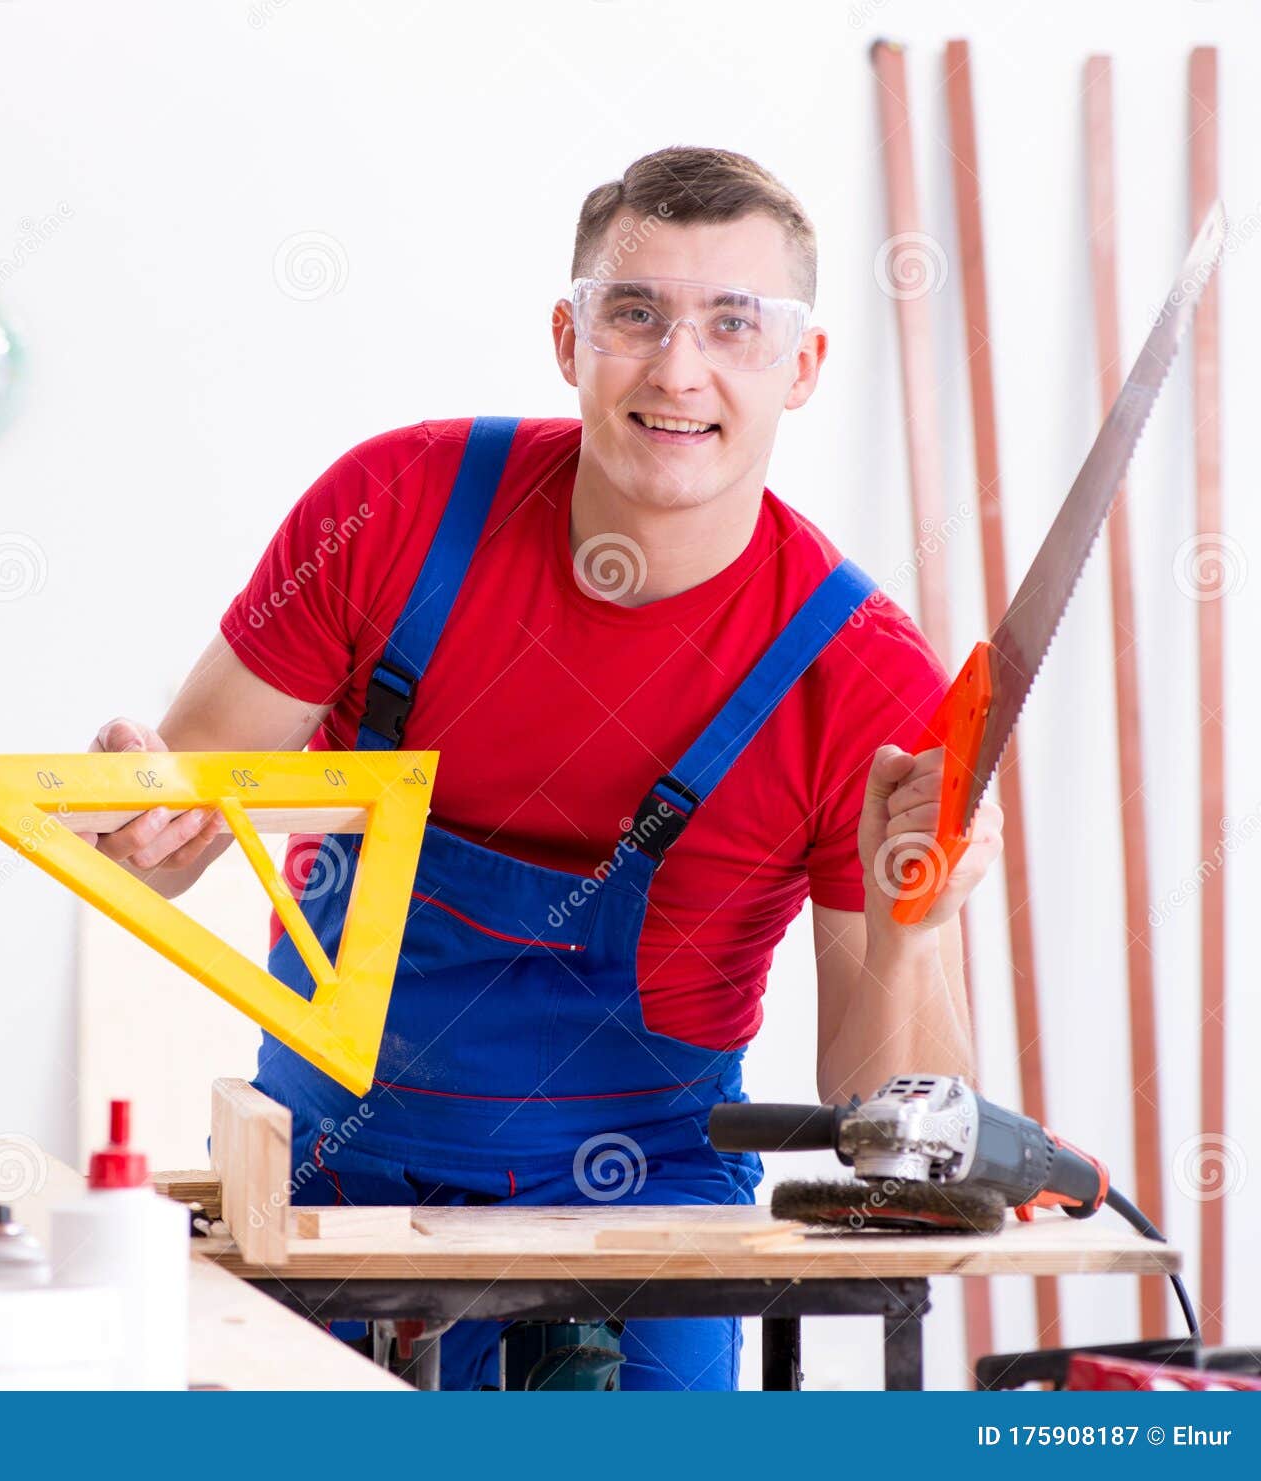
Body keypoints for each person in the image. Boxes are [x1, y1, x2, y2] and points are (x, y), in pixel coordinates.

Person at [82, 145, 1003, 1390]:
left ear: (803, 364)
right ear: (569, 338)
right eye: (637, 314)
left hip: (648, 1217)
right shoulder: (392, 511)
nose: (681, 370)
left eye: (736, 324)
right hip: (321, 1180)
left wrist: (910, 929)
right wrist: (131, 825)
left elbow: (885, 1103)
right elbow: (168, 838)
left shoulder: (862, 680)